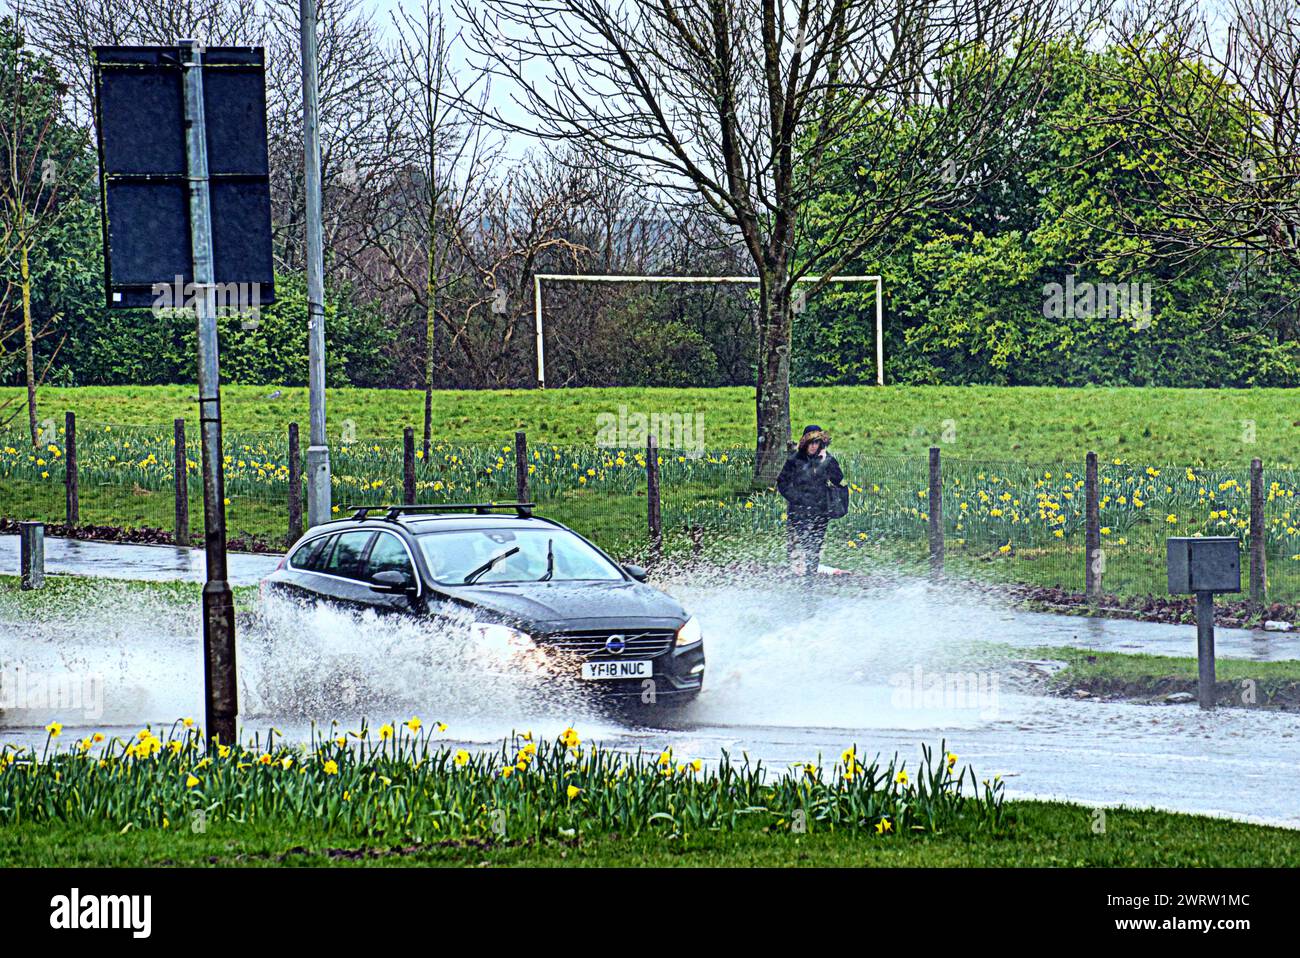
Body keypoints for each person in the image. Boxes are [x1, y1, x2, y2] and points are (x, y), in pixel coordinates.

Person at [776, 424, 843, 575]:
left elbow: (838, 478)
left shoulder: (826, 459)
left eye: (817, 443)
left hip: (821, 509)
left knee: (816, 544)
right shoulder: (795, 460)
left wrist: (827, 460)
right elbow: (782, 482)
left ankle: (810, 576)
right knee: (808, 543)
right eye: (811, 443)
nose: (813, 446)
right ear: (805, 443)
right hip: (799, 510)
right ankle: (808, 575)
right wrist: (797, 498)